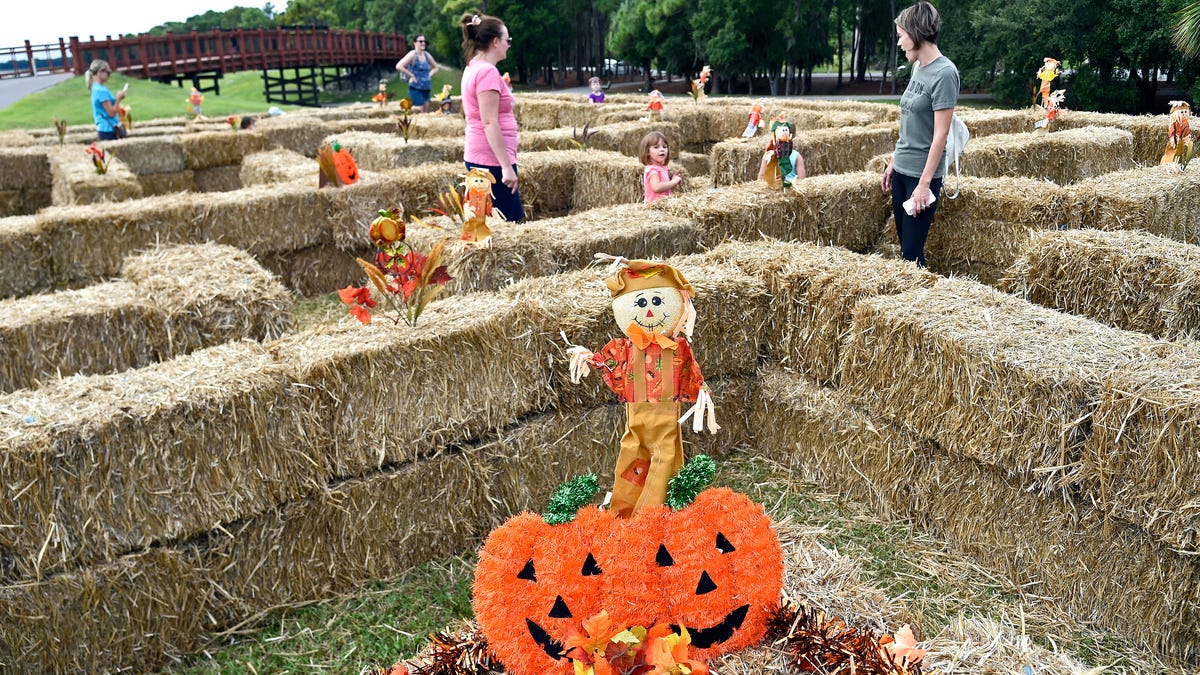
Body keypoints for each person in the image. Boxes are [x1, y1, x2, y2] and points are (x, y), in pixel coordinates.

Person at [881, 1, 959, 267]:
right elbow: (909, 122)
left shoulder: (945, 73)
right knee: (907, 251)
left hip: (921, 176)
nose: (900, 42)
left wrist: (924, 185)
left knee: (910, 256)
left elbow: (941, 134)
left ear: (915, 34)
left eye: (901, 35)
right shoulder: (918, 69)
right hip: (902, 170)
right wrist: (893, 162)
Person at [460, 13, 523, 222]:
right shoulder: (487, 72)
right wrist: (506, 167)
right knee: (509, 222)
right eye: (508, 40)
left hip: (480, 156)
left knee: (484, 225)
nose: (509, 45)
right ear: (495, 42)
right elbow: (489, 122)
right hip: (492, 161)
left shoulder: (473, 67)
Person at [396, 33, 441, 113]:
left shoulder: (427, 55)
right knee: (419, 112)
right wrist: (411, 75)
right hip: (416, 88)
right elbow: (399, 66)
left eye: (424, 41)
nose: (423, 43)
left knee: (426, 112)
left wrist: (429, 75)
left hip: (426, 88)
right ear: (415, 43)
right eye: (420, 41)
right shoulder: (412, 55)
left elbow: (436, 67)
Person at [86, 60, 125, 141]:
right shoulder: (101, 90)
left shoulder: (96, 88)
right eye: (108, 72)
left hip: (104, 128)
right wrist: (118, 99)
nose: (109, 75)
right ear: (100, 72)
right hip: (108, 129)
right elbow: (111, 113)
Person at [640, 131, 682, 204]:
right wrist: (673, 182)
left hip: (663, 205)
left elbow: (664, 186)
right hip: (654, 207)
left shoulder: (662, 168)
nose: (662, 149)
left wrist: (672, 181)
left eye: (664, 147)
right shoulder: (653, 171)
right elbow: (657, 187)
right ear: (647, 152)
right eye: (656, 147)